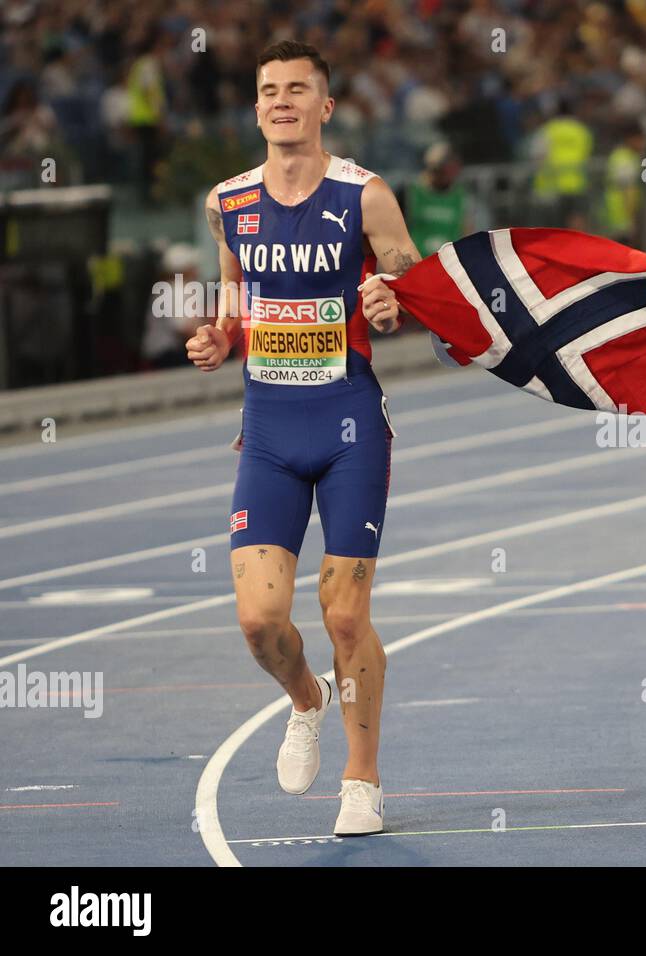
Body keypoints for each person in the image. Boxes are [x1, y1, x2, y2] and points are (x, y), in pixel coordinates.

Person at [185, 40, 420, 837]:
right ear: (256, 108)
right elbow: (234, 302)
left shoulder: (366, 196)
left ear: (325, 107)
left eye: (298, 90)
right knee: (259, 621)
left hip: (350, 422)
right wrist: (221, 341)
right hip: (269, 431)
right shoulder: (229, 203)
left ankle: (363, 780)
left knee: (345, 614)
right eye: (268, 91)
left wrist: (394, 304)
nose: (281, 101)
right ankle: (306, 699)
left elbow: (414, 286)